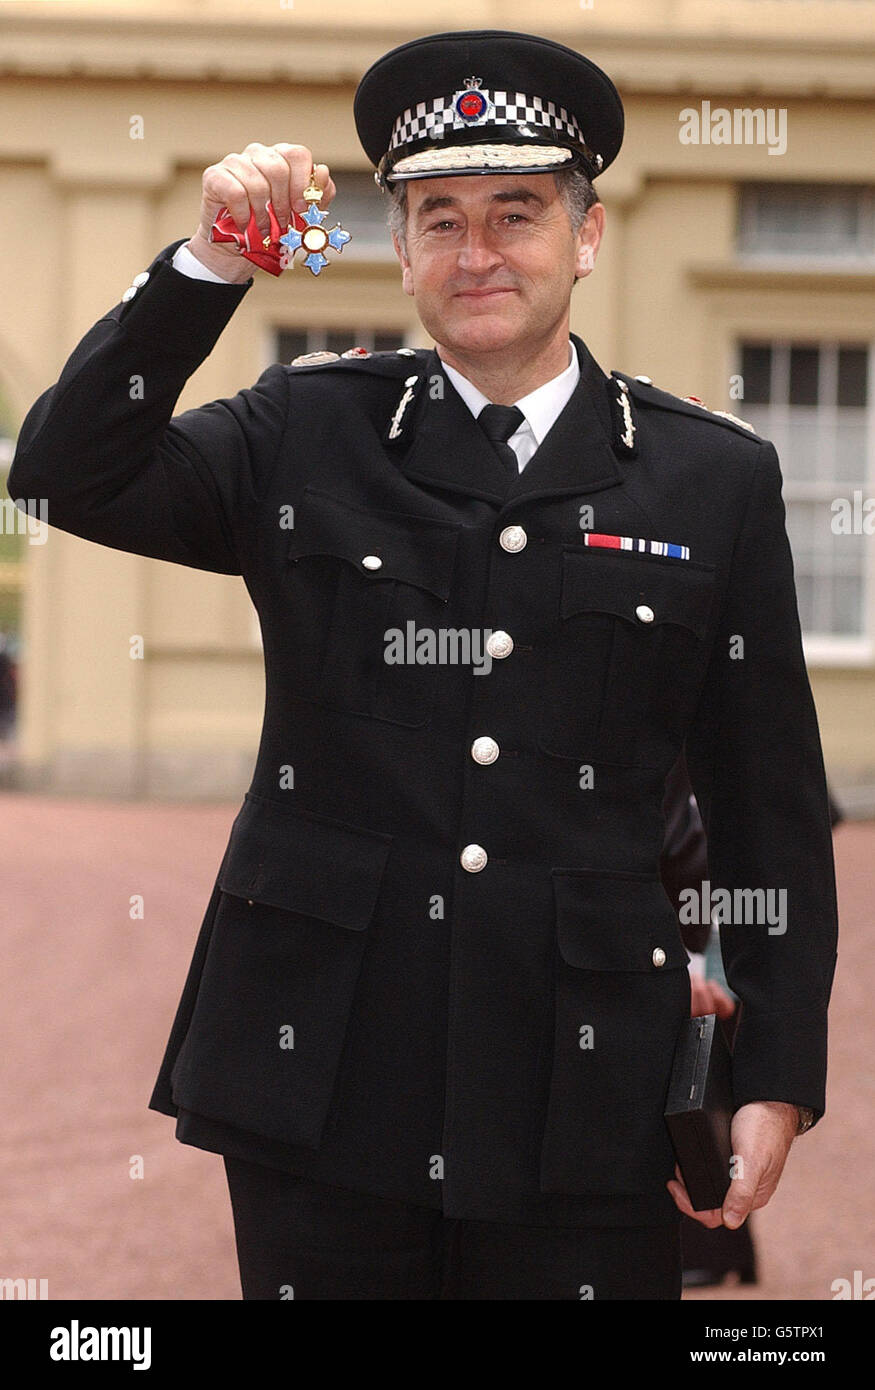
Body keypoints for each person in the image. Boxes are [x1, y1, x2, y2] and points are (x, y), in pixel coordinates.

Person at [7, 29, 838, 1300]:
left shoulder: (710, 477)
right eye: (437, 218)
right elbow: (67, 473)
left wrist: (774, 1073)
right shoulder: (305, 428)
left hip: (586, 1080)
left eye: (515, 212)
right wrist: (209, 268)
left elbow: (764, 804)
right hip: (324, 1064)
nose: (476, 252)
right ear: (396, 250)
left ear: (587, 235)